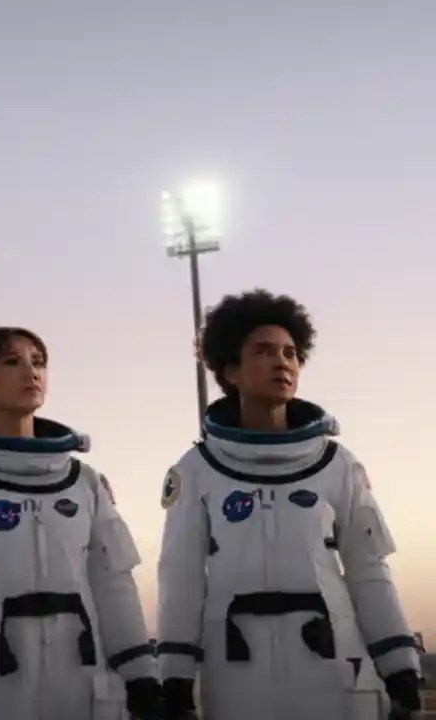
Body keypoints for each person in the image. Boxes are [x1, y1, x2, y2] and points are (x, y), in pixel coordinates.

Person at [156, 289, 423, 720]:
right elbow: (180, 579)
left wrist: (400, 666)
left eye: (290, 353)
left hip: (334, 668)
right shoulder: (197, 469)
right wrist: (175, 676)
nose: (282, 363)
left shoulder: (337, 464)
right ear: (231, 370)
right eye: (264, 352)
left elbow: (368, 570)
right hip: (234, 674)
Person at [0, 326, 162, 720]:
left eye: (38, 362)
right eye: (13, 362)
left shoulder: (84, 482)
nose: (31, 372)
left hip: (79, 679)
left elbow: (112, 583)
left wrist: (140, 671)